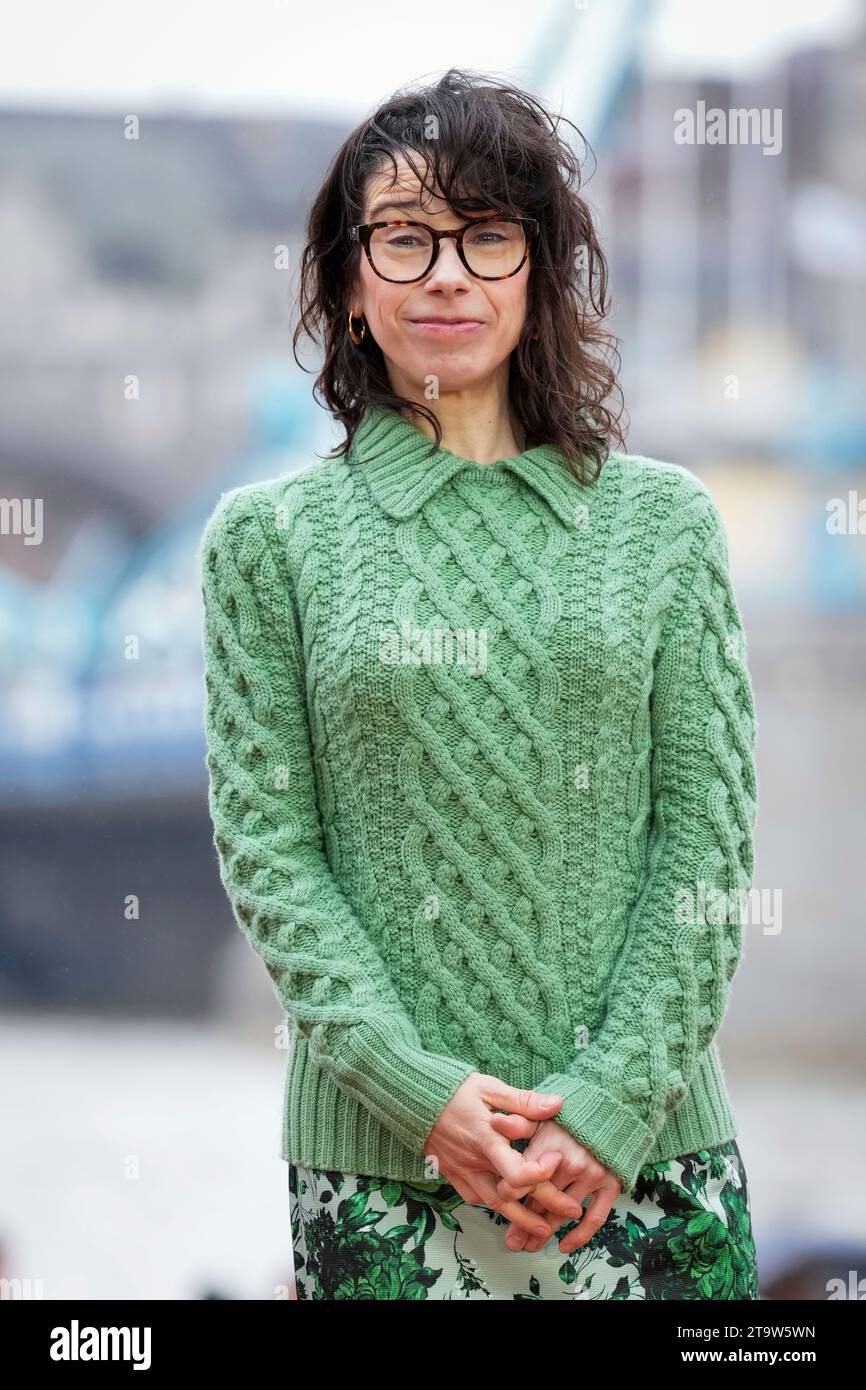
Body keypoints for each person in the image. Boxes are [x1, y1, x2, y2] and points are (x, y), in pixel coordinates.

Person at [199, 67, 760, 1300]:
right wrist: (417, 1094)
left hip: (646, 1164)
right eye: (403, 239)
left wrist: (609, 1105)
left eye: (485, 235)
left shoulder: (661, 525)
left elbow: (706, 847)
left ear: (536, 272)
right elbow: (268, 846)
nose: (444, 272)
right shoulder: (268, 540)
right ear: (349, 284)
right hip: (381, 1183)